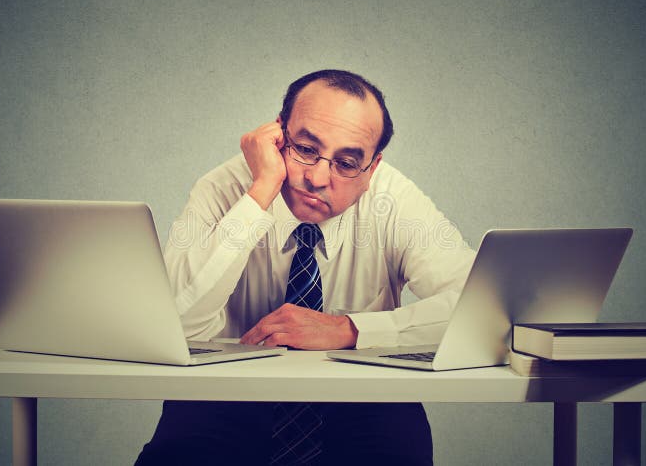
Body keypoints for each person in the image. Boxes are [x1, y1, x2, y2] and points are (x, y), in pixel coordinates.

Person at [135, 70, 476, 466]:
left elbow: (478, 308)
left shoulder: (394, 199)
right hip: (223, 395)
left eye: (347, 163)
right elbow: (175, 321)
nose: (316, 178)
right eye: (305, 149)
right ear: (278, 134)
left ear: (373, 167)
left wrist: (350, 329)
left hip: (364, 397)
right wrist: (260, 191)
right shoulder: (225, 187)